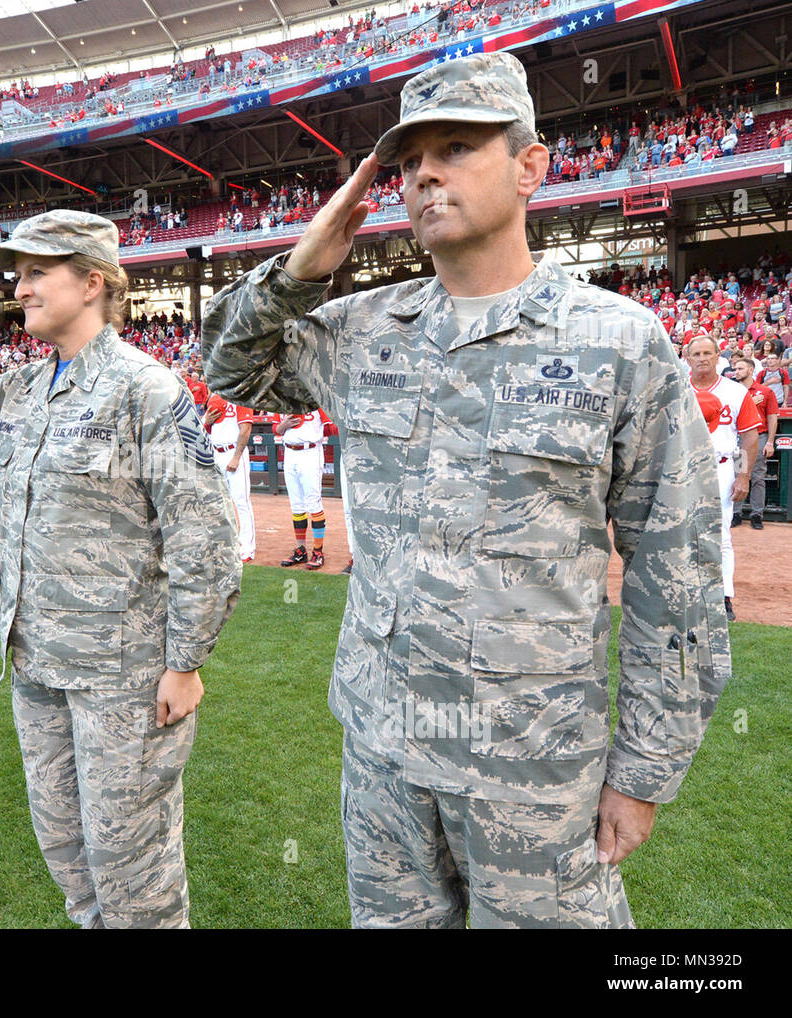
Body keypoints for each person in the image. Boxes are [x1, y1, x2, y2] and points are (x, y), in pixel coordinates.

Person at [202, 51, 730, 928]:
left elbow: (673, 571)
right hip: (383, 749)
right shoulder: (363, 329)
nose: (423, 175)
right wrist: (299, 271)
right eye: (407, 162)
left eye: (455, 147)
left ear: (531, 167)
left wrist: (642, 772)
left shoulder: (616, 340)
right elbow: (230, 363)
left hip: (530, 762)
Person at [0, 210, 241, 928]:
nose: (18, 287)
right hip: (38, 664)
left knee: (129, 856)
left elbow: (202, 534)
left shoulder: (145, 389)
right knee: (63, 842)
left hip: (124, 673)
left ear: (92, 282)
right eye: (16, 273)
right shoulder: (19, 388)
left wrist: (186, 661)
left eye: (36, 271)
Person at [688, 336, 761, 622]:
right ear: (687, 357)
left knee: (721, 535)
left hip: (720, 466)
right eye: (696, 353)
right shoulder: (678, 390)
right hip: (682, 469)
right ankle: (685, 595)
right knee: (680, 533)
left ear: (719, 356)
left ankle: (724, 596)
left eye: (708, 352)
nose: (702, 358)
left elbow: (750, 435)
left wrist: (743, 475)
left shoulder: (735, 391)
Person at [204, 393, 255, 562]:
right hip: (216, 453)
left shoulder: (241, 397)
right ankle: (224, 544)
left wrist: (236, 457)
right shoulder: (213, 399)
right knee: (218, 502)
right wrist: (206, 422)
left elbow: (246, 430)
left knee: (241, 502)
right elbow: (201, 431)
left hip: (234, 453)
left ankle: (247, 548)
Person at [730, 355, 779, 531]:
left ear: (751, 370)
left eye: (740, 369)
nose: (736, 372)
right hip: (738, 438)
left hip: (759, 437)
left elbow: (772, 418)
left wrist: (770, 442)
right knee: (738, 474)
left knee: (758, 476)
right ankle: (735, 513)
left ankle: (757, 514)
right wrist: (750, 403)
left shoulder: (765, 391)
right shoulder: (732, 391)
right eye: (735, 369)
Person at [274, 409, 327, 568]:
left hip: (310, 452)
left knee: (314, 503)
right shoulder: (282, 400)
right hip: (289, 453)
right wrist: (284, 425)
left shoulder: (315, 397)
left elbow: (330, 426)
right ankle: (301, 550)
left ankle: (318, 551)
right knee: (296, 505)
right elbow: (276, 429)